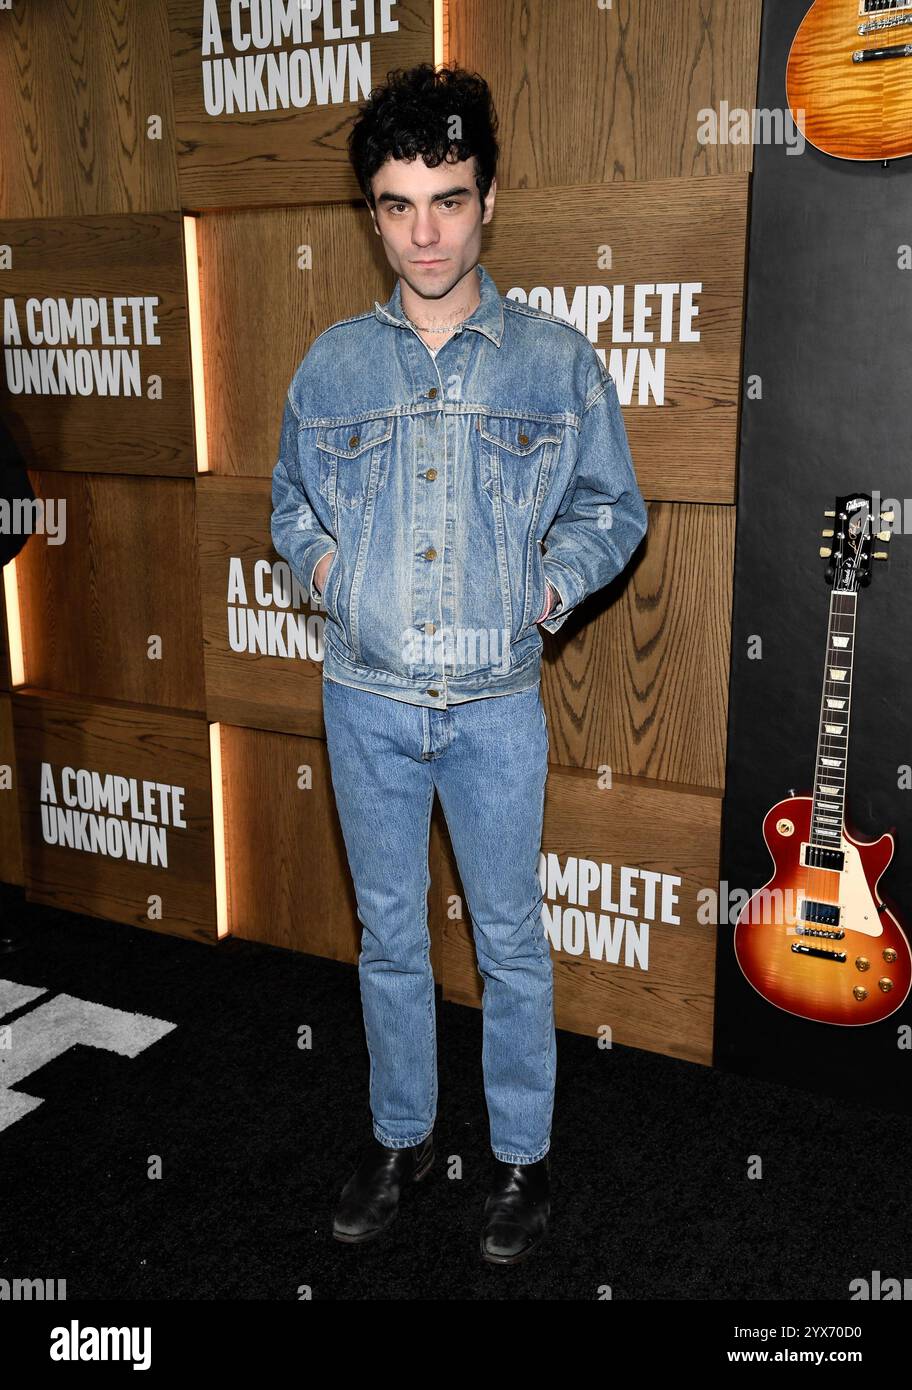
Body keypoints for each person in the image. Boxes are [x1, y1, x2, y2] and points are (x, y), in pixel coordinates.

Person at [270, 63, 648, 1266]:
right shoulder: (330, 364)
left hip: (495, 706)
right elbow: (291, 507)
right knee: (387, 933)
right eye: (395, 203)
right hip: (364, 698)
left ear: (490, 199)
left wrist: (546, 588)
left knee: (510, 939)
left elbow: (613, 509)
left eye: (447, 198)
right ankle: (401, 1137)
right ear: (369, 211)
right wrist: (332, 576)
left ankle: (520, 1160)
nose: (423, 231)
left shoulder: (555, 359)